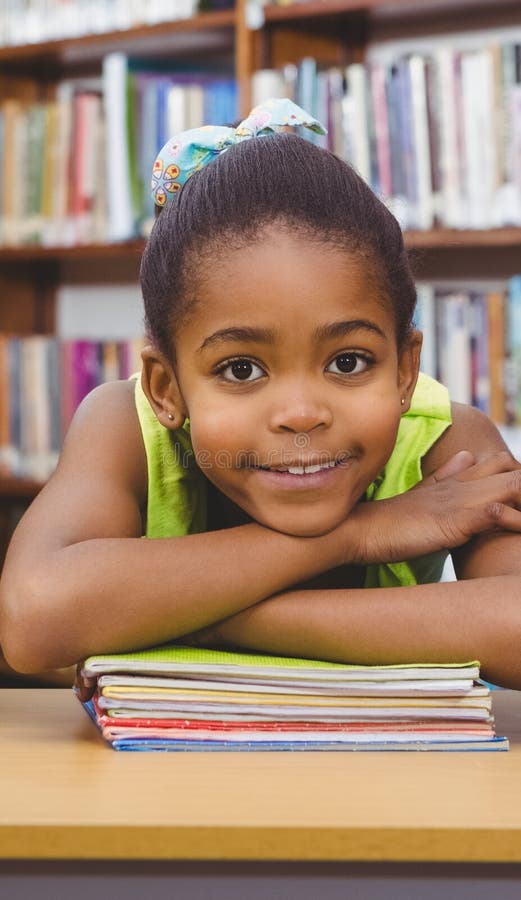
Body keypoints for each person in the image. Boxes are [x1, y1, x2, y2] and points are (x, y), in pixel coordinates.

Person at [1, 98, 521, 696]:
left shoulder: (448, 446)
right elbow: (32, 617)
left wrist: (195, 622)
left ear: (405, 371)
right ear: (165, 388)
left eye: (348, 362)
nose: (301, 412)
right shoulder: (126, 428)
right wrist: (359, 533)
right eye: (241, 369)